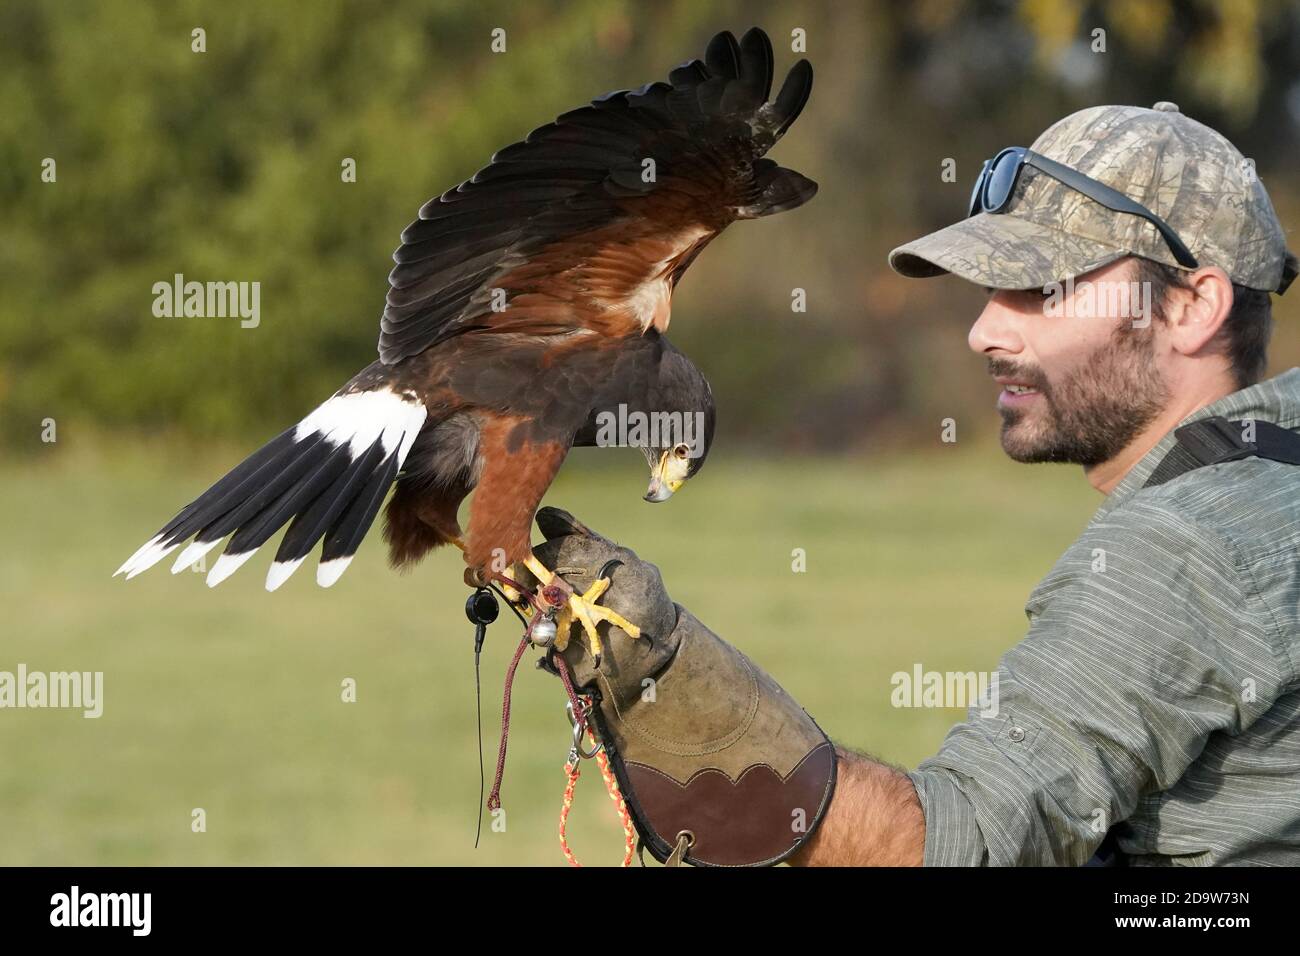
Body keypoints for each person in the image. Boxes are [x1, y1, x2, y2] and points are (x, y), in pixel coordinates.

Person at [533, 103, 1300, 867]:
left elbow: (958, 849)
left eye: (1044, 287)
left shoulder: (1181, 549)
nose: (985, 331)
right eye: (992, 287)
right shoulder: (1274, 485)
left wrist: (663, 670)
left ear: (1194, 308)